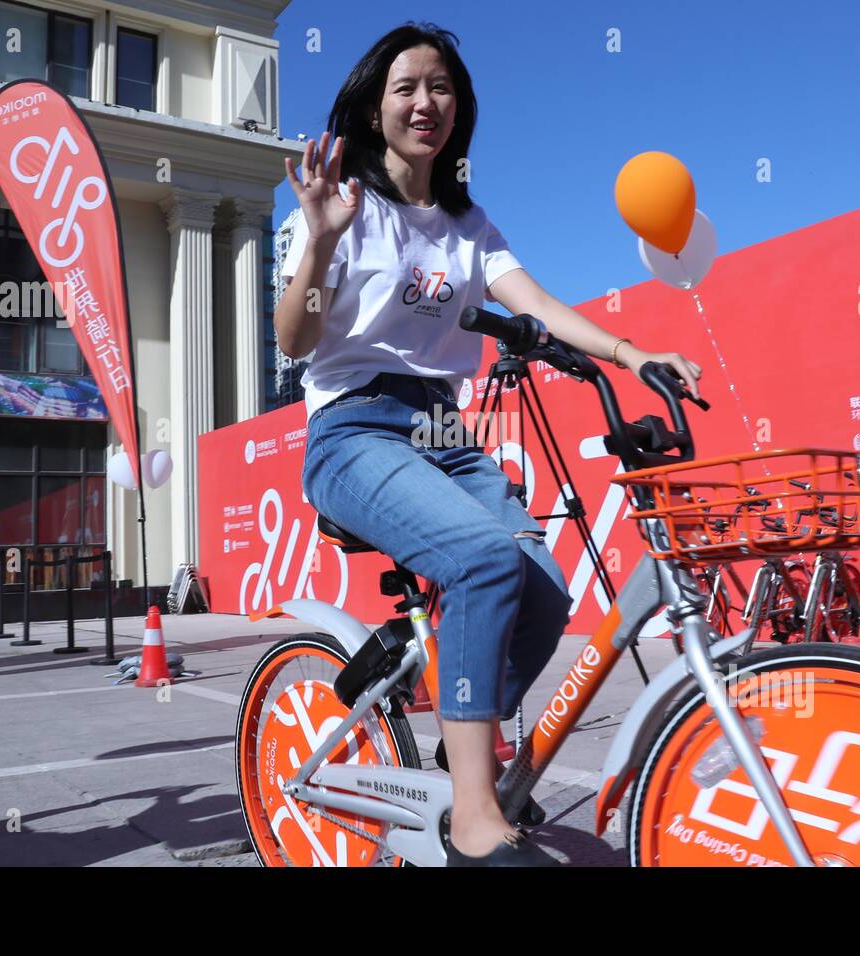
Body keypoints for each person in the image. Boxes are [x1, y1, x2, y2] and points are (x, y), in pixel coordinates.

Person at [276, 22, 702, 866]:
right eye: (405, 88)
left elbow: (536, 303)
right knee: (482, 561)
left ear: (458, 109)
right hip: (351, 428)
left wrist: (632, 354)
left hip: (442, 432)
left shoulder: (468, 224)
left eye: (440, 88)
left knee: (544, 592)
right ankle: (476, 813)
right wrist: (320, 237)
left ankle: (459, 744)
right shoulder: (339, 207)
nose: (424, 103)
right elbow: (294, 340)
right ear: (373, 107)